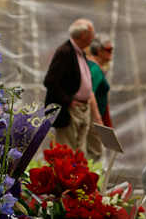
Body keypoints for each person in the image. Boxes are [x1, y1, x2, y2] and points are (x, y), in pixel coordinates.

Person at [43, 19, 102, 156]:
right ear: (82, 34)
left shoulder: (80, 53)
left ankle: (78, 176)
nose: (94, 37)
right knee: (66, 150)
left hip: (82, 108)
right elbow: (50, 81)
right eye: (92, 33)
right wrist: (68, 101)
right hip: (70, 111)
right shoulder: (65, 52)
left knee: (79, 151)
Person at [86, 34, 114, 161]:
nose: (111, 51)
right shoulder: (95, 69)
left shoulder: (92, 66)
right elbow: (90, 93)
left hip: (92, 116)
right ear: (99, 51)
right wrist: (98, 119)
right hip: (93, 118)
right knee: (94, 153)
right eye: (108, 49)